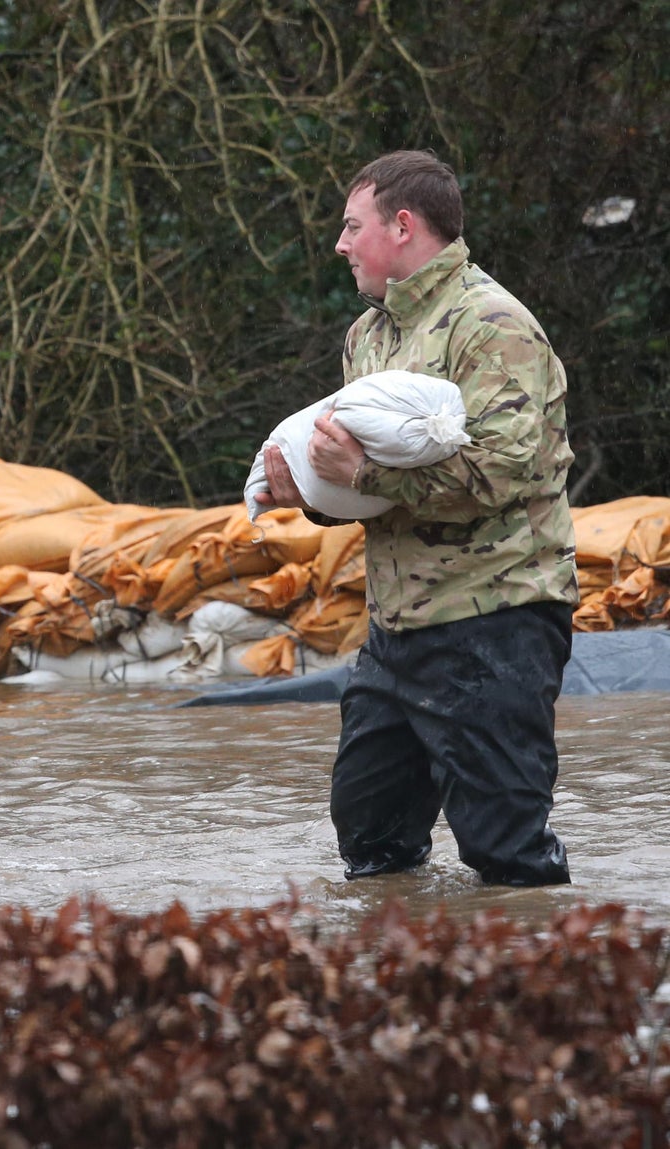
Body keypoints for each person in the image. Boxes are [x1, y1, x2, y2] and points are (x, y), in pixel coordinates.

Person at [258, 149, 577, 887]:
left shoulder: (493, 323)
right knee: (369, 837)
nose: (339, 244)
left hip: (496, 616)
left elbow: (503, 472)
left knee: (507, 853)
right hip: (396, 630)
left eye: (351, 226)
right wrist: (306, 489)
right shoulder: (367, 338)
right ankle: (403, 990)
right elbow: (370, 494)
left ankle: (554, 985)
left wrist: (361, 472)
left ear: (402, 226)